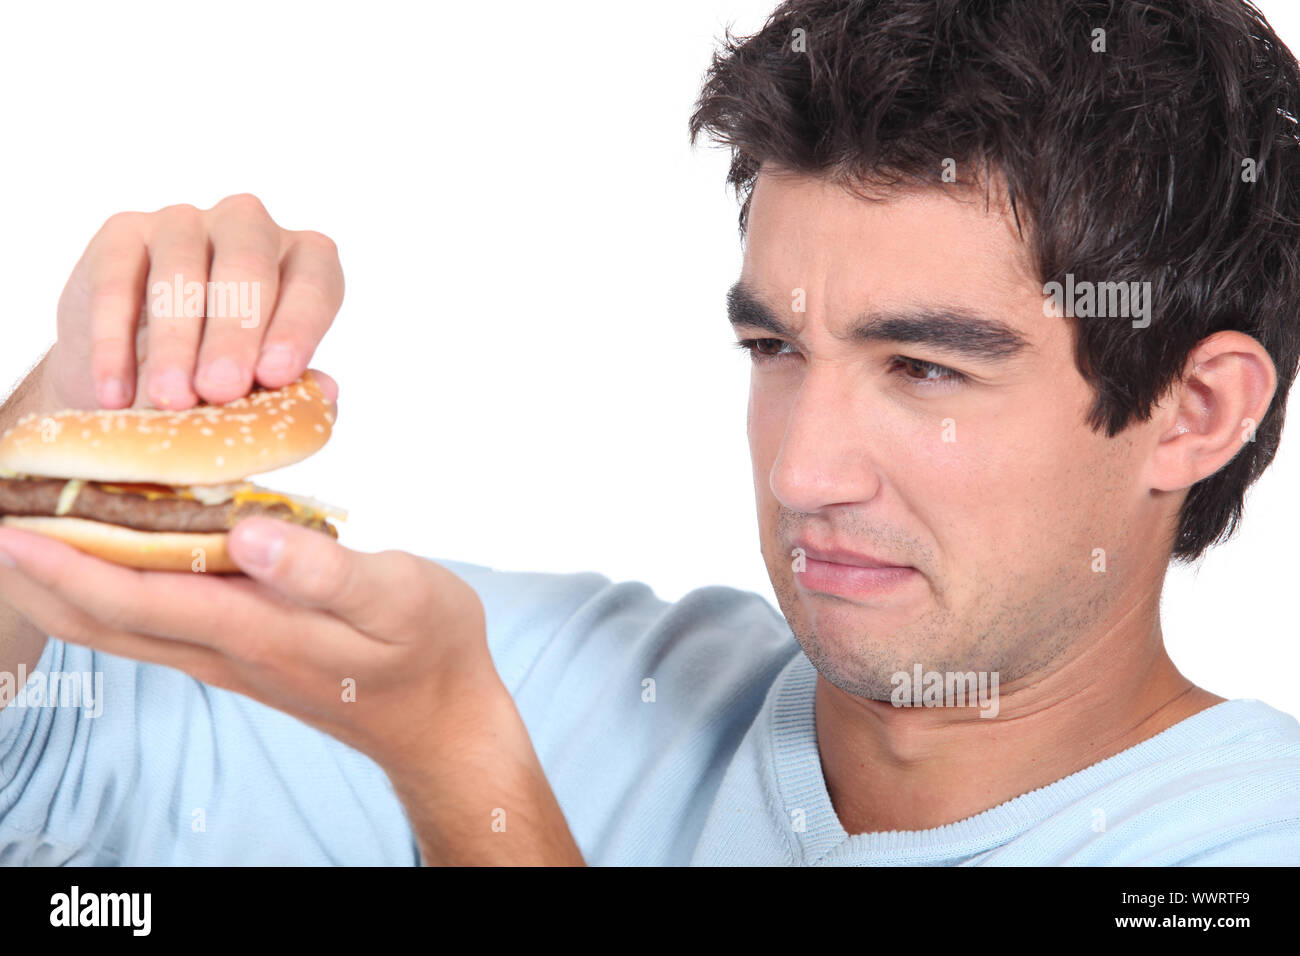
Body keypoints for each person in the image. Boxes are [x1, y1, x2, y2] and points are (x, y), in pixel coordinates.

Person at [2, 0, 1299, 865]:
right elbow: (40, 770)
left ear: (1194, 413)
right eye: (775, 349)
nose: (802, 474)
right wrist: (72, 428)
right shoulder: (597, 685)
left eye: (924, 369)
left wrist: (461, 764)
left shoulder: (1238, 848)